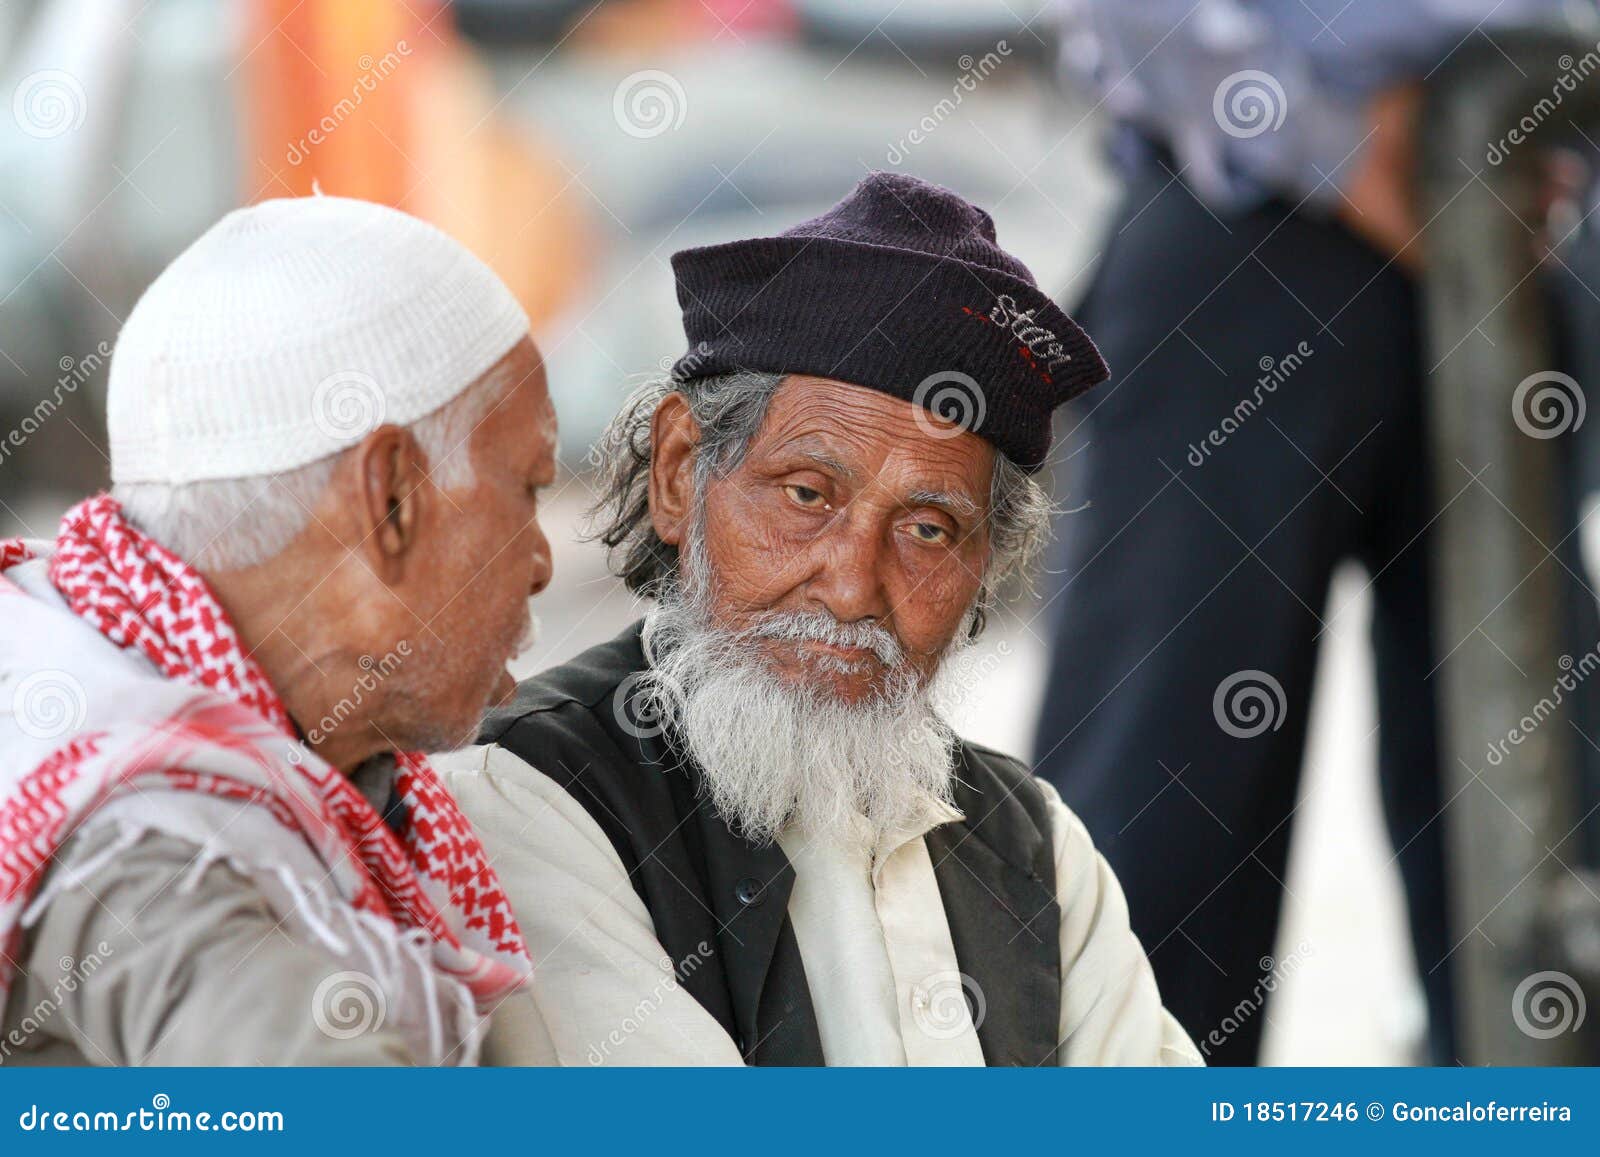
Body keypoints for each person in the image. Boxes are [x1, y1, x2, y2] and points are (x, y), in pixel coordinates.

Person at [440, 172, 1200, 1066]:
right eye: (807, 494)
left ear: (985, 567)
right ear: (681, 474)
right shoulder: (528, 794)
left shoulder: (1038, 849)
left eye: (928, 529)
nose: (851, 587)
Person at [1036, 0, 1577, 1064]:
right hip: (1254, 233)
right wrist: (1334, 142)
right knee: (1153, 844)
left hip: (1508, 220)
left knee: (1542, 855)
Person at [0, 195, 557, 1065]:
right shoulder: (151, 861)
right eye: (529, 486)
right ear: (392, 501)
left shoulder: (94, 658)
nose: (543, 561)